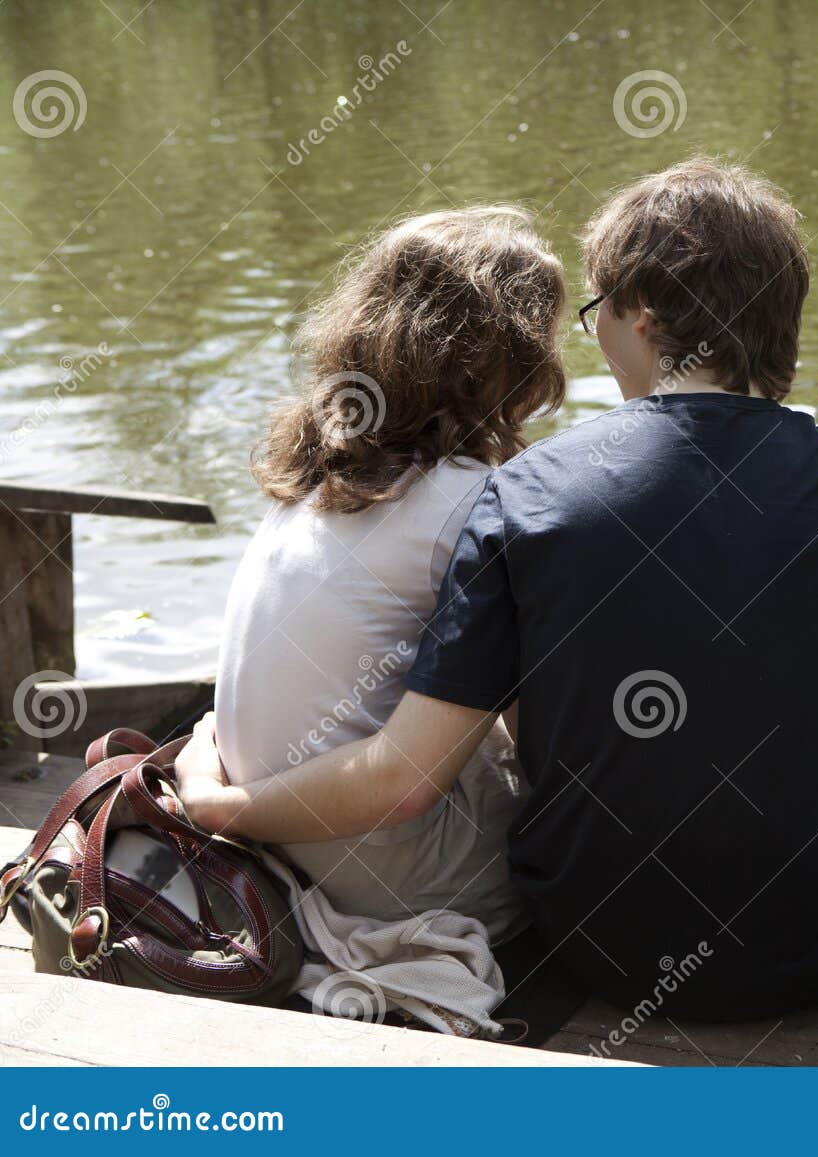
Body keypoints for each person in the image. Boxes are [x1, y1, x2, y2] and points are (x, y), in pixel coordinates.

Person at [179, 158, 818, 1024]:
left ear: (642, 318)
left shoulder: (523, 493)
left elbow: (524, 747)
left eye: (593, 314)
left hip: (596, 941)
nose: (587, 342)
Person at [202, 206, 566, 1024]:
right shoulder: (478, 502)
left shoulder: (320, 476)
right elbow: (545, 739)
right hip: (388, 869)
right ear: (514, 358)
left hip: (277, 828)